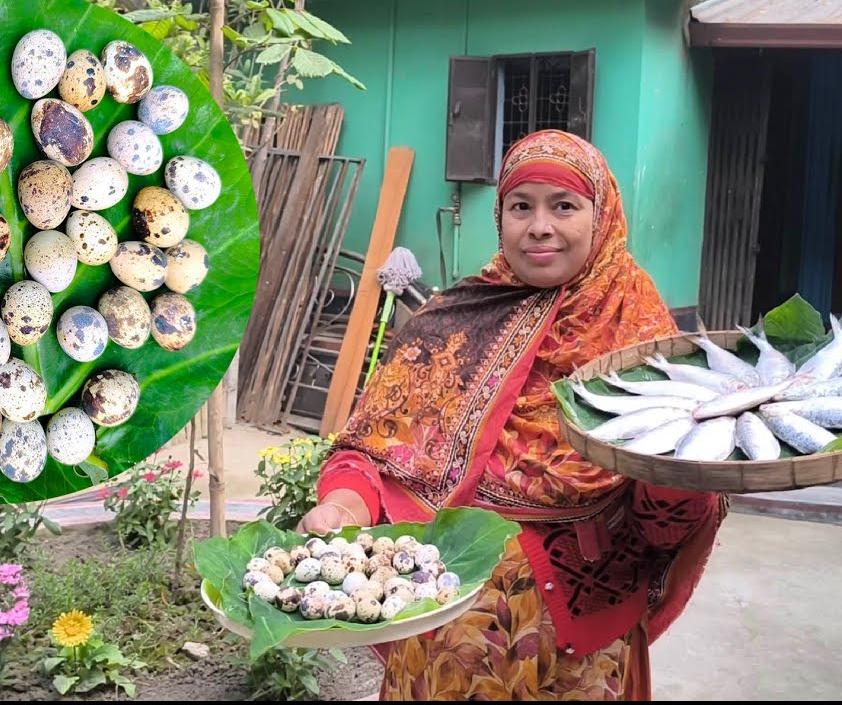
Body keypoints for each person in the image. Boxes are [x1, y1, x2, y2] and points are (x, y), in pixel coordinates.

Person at [297, 129, 727, 700]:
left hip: (580, 646)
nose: (540, 226)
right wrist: (343, 503)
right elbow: (369, 453)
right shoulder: (450, 323)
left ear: (602, 217)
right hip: (443, 627)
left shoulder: (643, 343)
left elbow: (664, 522)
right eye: (521, 206)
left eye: (564, 206)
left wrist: (684, 471)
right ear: (501, 217)